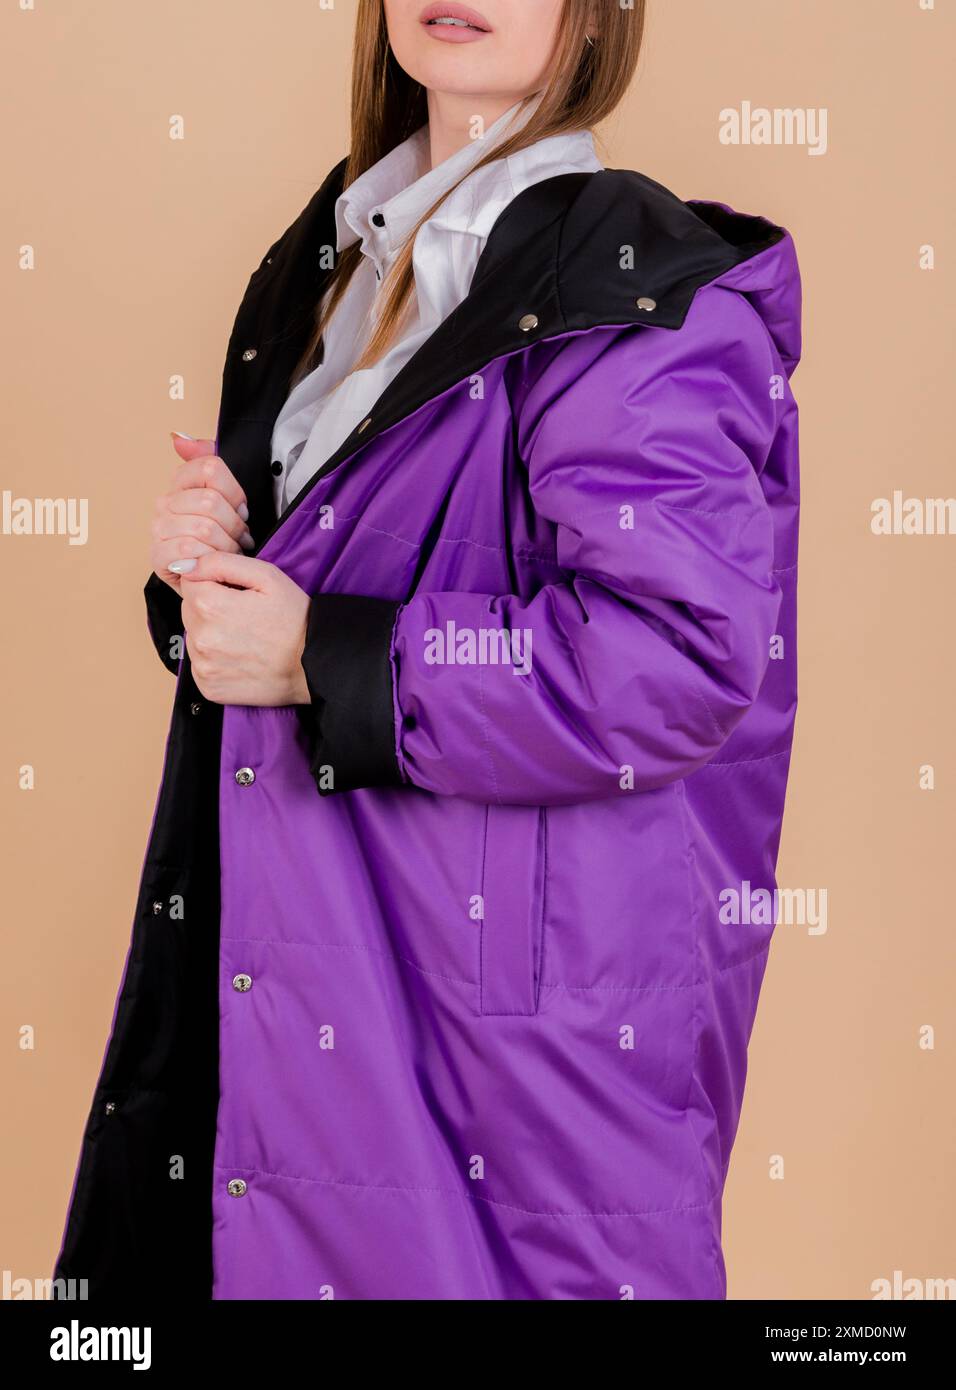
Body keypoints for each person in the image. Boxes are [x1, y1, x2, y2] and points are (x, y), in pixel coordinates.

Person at [56, 0, 801, 1300]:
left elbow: (672, 659)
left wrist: (321, 651)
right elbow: (295, 619)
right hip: (289, 976)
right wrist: (210, 565)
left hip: (490, 1052)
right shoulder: (331, 271)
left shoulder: (632, 295)